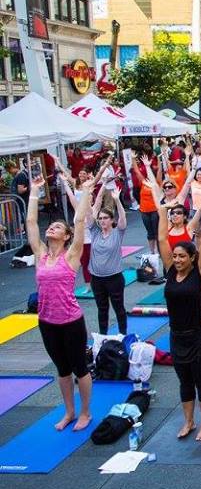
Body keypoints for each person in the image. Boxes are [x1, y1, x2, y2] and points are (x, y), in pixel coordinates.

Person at [152, 174, 201, 441]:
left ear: (191, 258)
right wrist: (163, 211)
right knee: (183, 382)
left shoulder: (199, 273)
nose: (177, 259)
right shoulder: (170, 271)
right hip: (177, 335)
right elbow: (160, 240)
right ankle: (188, 421)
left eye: (182, 256)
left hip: (199, 335)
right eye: (175, 256)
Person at [27, 176, 93, 431]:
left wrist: (85, 192)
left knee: (79, 367)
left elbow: (79, 220)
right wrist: (34, 192)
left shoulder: (72, 255)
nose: (51, 228)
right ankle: (69, 412)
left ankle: (85, 412)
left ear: (66, 237)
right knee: (62, 369)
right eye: (51, 226)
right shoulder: (41, 254)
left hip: (71, 322)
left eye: (57, 227)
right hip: (46, 321)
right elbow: (31, 221)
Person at [88, 186, 128, 335]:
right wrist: (87, 194)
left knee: (119, 308)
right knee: (102, 309)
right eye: (100, 218)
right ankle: (102, 336)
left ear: (112, 220)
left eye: (105, 218)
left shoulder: (118, 232)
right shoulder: (94, 231)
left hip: (114, 278)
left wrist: (117, 200)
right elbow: (87, 214)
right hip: (97, 279)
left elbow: (123, 218)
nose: (102, 221)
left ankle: (123, 334)